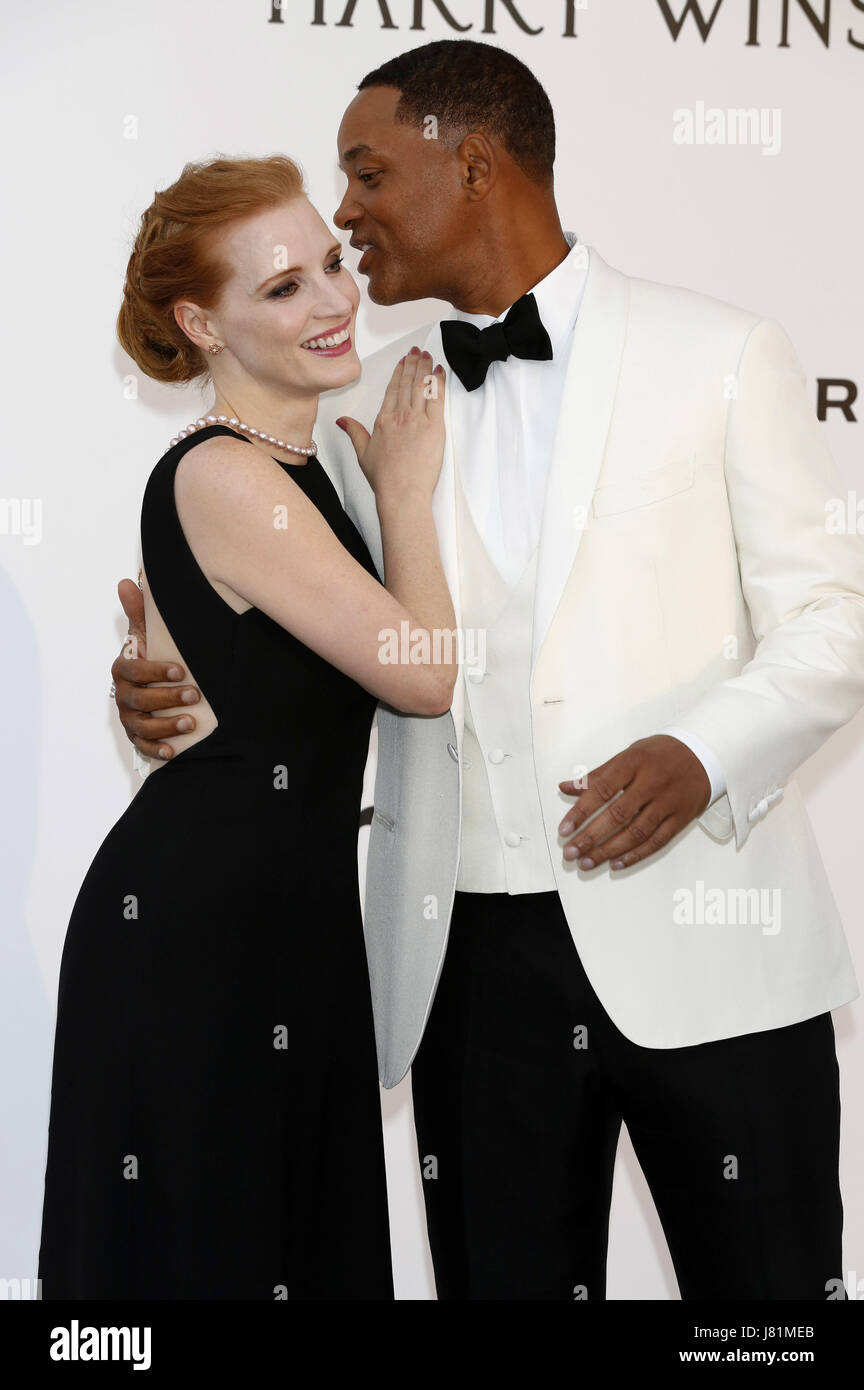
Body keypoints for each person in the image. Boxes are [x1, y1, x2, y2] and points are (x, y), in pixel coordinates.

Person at [113, 42, 864, 1300]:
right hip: (464, 970)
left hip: (713, 953)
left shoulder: (721, 352)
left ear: (474, 163)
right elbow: (292, 630)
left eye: (366, 173)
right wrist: (171, 686)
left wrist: (705, 752)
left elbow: (835, 616)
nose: (346, 217)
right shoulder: (361, 421)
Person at [38, 153, 456, 1299]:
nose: (332, 301)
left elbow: (227, 681)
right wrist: (411, 502)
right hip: (203, 935)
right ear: (200, 323)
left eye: (330, 263)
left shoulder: (308, 466)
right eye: (281, 288)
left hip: (288, 918)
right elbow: (422, 675)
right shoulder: (230, 475)